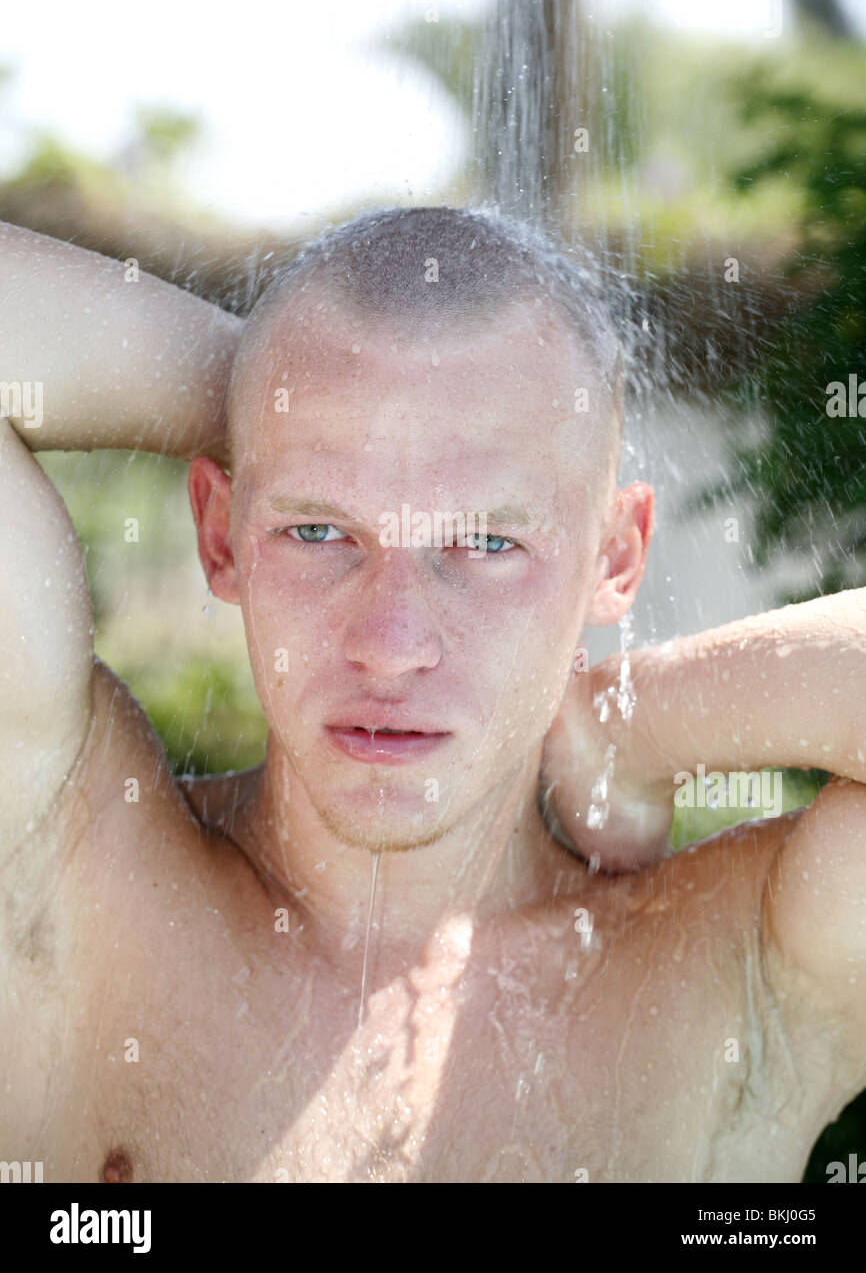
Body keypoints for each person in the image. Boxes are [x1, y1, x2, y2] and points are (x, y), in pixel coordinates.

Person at [0, 205, 863, 1184]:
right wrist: (275, 390)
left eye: (487, 544)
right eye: (317, 530)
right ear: (220, 532)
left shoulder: (735, 971)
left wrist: (633, 728)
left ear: (611, 556)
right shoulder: (68, 872)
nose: (392, 644)